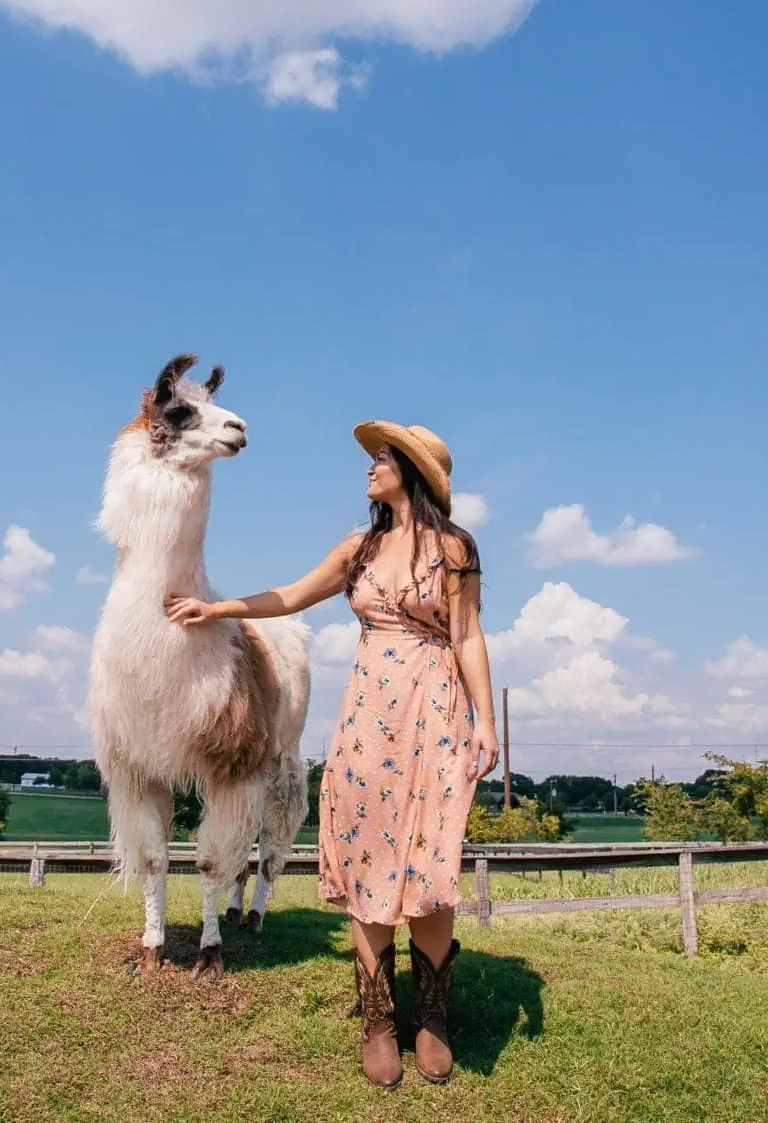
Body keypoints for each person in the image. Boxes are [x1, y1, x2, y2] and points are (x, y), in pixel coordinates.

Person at [166, 421, 499, 1090]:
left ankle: (431, 1016)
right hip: (368, 723)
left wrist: (485, 720)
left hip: (435, 715)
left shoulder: (456, 550)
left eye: (382, 458)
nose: (370, 468)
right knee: (372, 857)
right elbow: (289, 595)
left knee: (432, 860)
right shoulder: (360, 547)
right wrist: (218, 607)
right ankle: (379, 1020)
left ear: (410, 470)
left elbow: (466, 637)